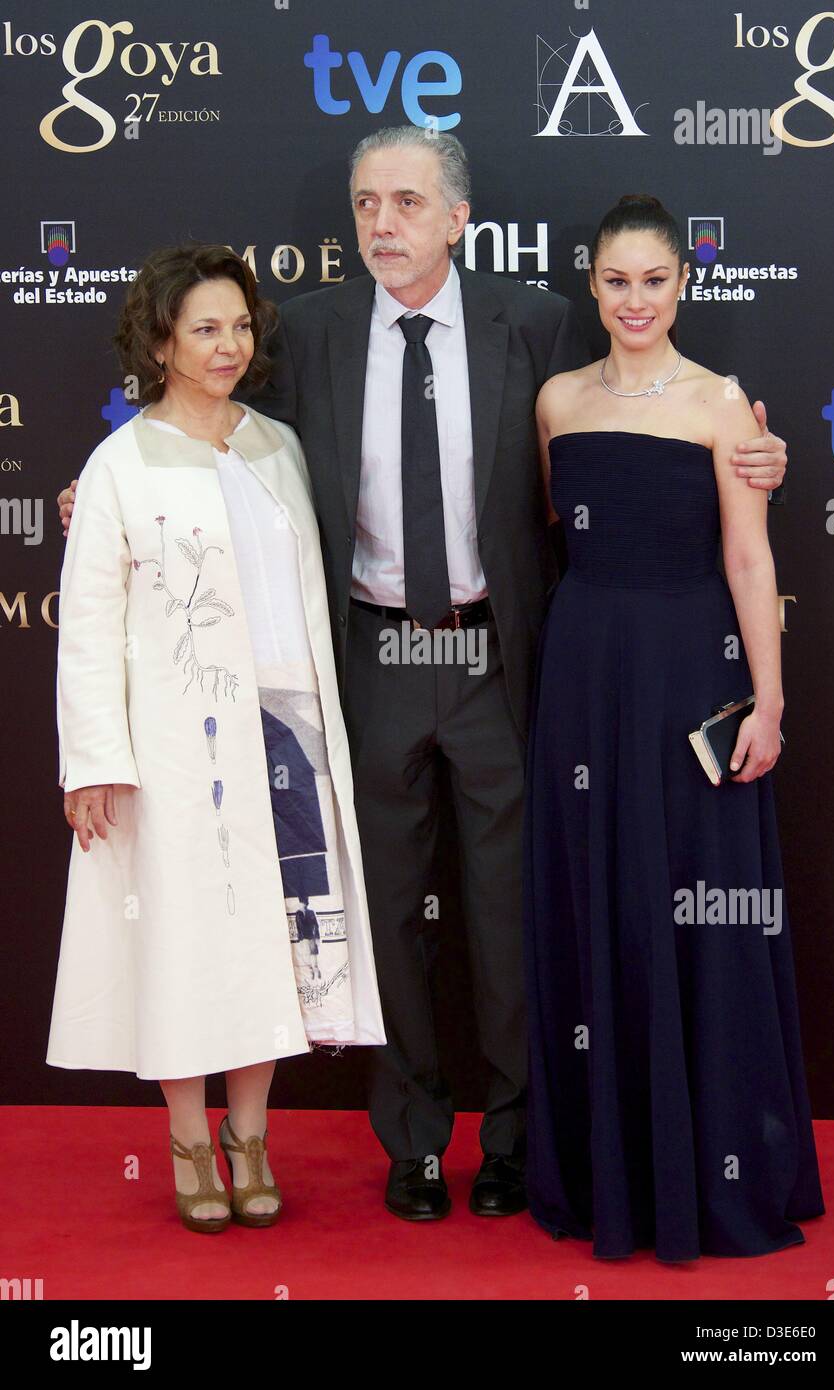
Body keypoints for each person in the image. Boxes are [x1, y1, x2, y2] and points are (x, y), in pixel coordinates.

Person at [57, 126, 789, 1223]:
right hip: (370, 652)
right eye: (364, 204)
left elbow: (623, 427)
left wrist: (751, 454)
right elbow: (208, 433)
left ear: (456, 218)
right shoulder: (303, 335)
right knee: (383, 904)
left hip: (500, 652)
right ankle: (409, 1143)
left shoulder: (534, 326)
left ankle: (511, 1139)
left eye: (405, 202)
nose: (381, 224)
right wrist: (94, 493)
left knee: (509, 909)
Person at [48, 243, 385, 1234]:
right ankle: (189, 1140)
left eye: (239, 325)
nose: (227, 344)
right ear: (159, 342)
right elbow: (90, 624)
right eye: (203, 328)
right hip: (174, 750)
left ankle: (251, 1137)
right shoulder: (119, 462)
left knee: (270, 945)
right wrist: (97, 760)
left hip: (287, 735)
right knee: (187, 945)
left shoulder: (278, 446)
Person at [523, 194, 823, 1260]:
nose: (634, 299)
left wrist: (769, 701)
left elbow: (747, 559)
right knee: (597, 896)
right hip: (584, 672)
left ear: (682, 284)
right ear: (590, 284)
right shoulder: (555, 399)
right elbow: (558, 527)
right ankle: (608, 1168)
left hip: (696, 670)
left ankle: (709, 1168)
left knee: (695, 911)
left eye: (654, 280)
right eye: (615, 280)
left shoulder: (721, 405)